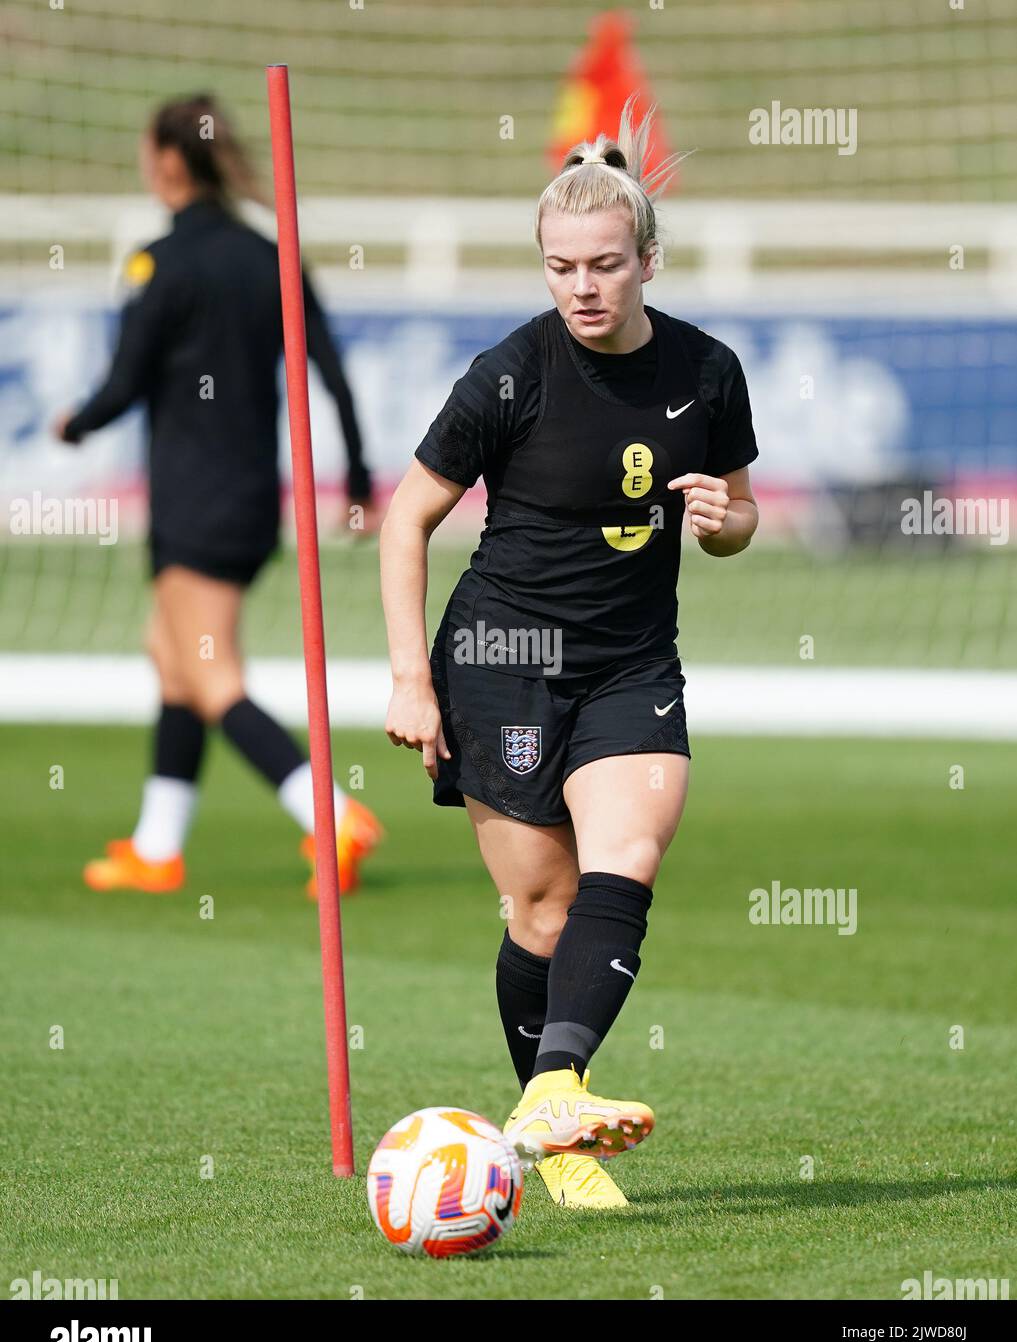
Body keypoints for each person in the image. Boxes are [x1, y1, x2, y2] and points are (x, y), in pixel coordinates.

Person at [380, 96, 759, 1209]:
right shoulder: (510, 373)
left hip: (634, 661)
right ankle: (561, 1139)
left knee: (627, 857)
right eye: (560, 267)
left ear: (646, 257)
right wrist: (411, 678)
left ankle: (554, 1087)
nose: (582, 287)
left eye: (603, 264)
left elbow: (737, 521)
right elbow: (406, 518)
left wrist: (718, 520)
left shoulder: (707, 369)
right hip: (501, 655)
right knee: (540, 917)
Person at [56, 94, 382, 898]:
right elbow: (332, 372)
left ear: (168, 162)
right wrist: (361, 475)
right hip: (249, 499)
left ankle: (331, 815)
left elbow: (124, 382)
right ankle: (157, 848)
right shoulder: (270, 256)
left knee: (210, 674)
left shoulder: (160, 263)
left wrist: (75, 423)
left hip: (191, 502)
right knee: (173, 657)